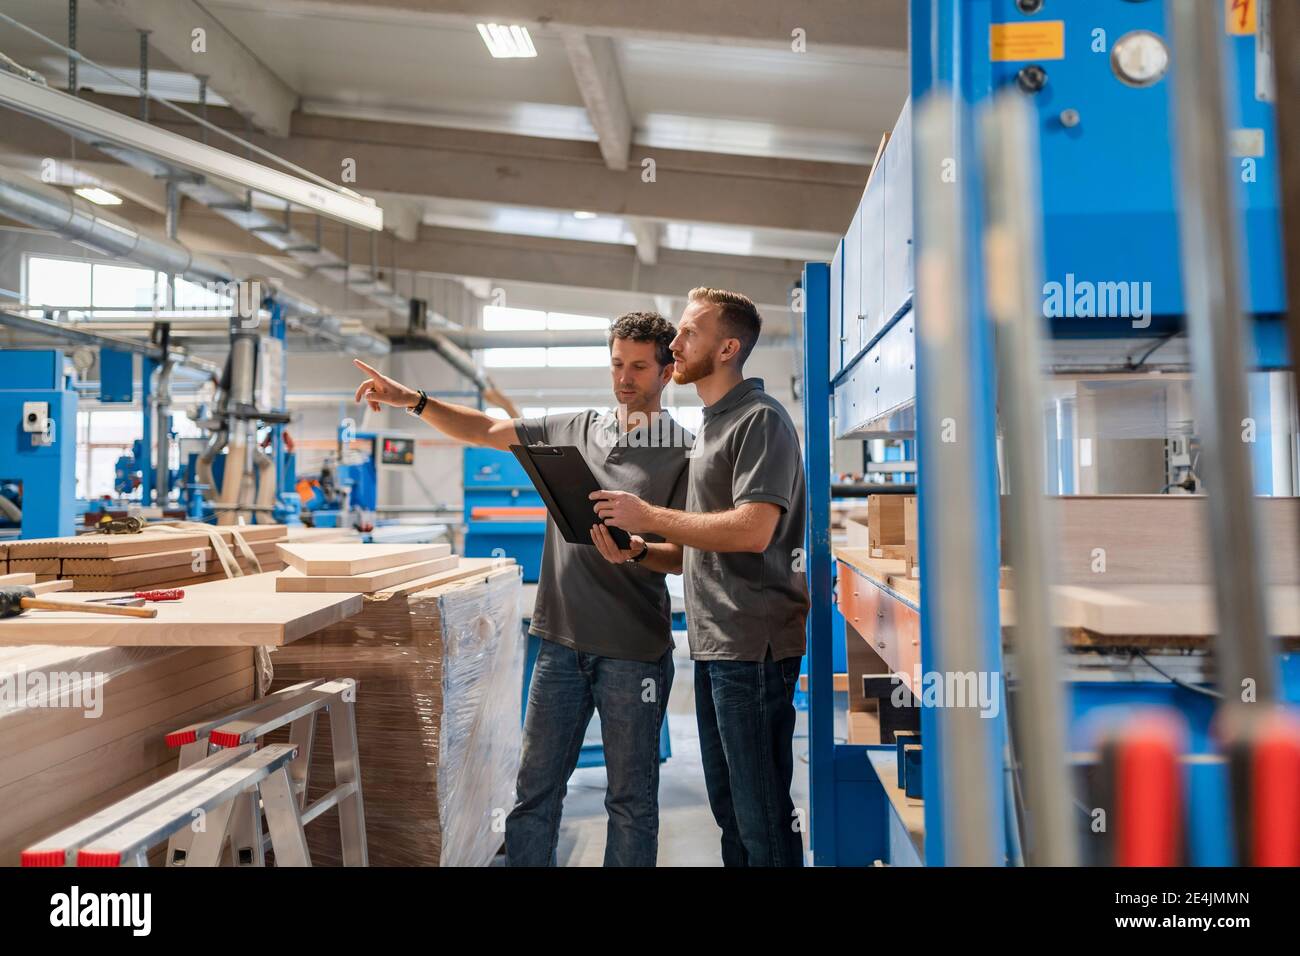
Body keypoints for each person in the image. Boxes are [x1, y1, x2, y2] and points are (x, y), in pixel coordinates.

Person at [352, 311, 691, 867]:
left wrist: (636, 549)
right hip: (560, 645)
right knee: (533, 793)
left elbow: (683, 556)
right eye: (616, 364)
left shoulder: (683, 450)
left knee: (630, 802)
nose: (623, 378)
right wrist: (413, 400)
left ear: (667, 371)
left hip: (633, 654)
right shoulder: (574, 428)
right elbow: (485, 430)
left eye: (637, 367)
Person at [588, 287, 810, 867]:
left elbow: (753, 530)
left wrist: (649, 515)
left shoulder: (760, 420)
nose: (675, 343)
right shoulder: (713, 424)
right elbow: (698, 546)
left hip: (753, 645)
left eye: (689, 332)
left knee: (761, 817)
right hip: (717, 646)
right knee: (732, 814)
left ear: (728, 348)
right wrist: (640, 550)